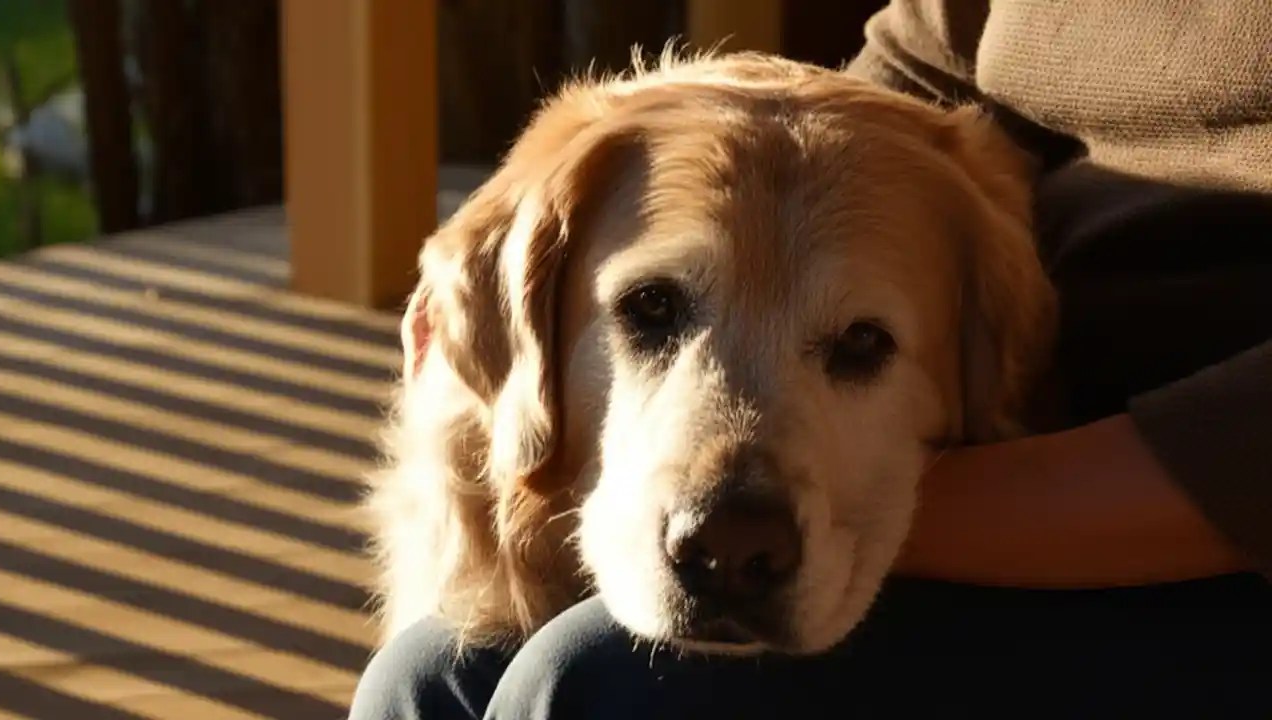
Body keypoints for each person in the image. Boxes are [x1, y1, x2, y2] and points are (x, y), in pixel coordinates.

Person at [349, 2, 1272, 717]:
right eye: (653, 310)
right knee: (432, 679)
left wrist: (867, 523)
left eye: (859, 344)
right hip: (1040, 444)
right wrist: (508, 260)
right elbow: (914, 75)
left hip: (1203, 534)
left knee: (599, 693)